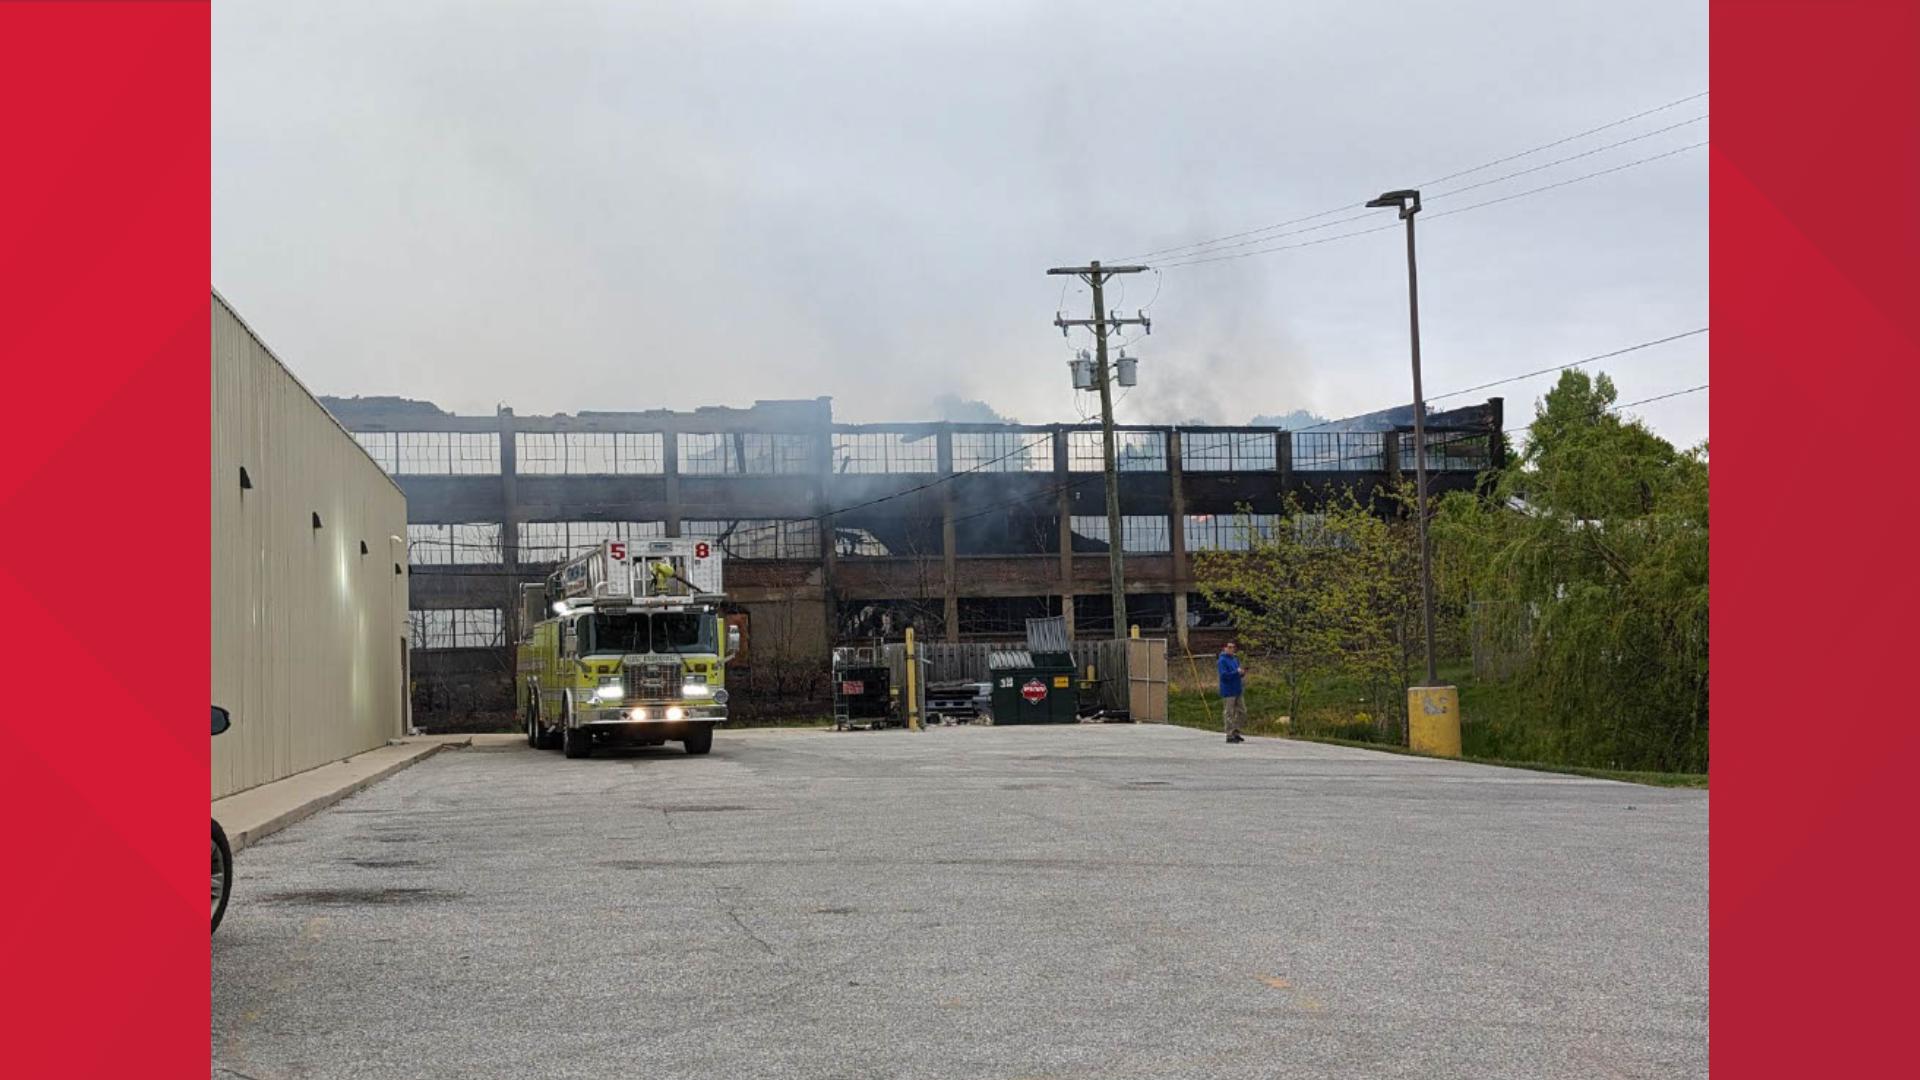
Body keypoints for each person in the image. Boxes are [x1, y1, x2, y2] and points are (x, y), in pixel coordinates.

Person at [1218, 641, 1247, 744]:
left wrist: (1242, 673)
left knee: (1242, 711)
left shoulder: (1235, 659)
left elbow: (1238, 673)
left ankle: (1236, 731)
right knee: (1229, 712)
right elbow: (1224, 676)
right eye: (1229, 647)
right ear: (1224, 648)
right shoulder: (1222, 660)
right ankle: (1229, 734)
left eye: (1233, 647)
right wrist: (1236, 673)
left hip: (1237, 689)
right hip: (1228, 690)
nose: (1231, 649)